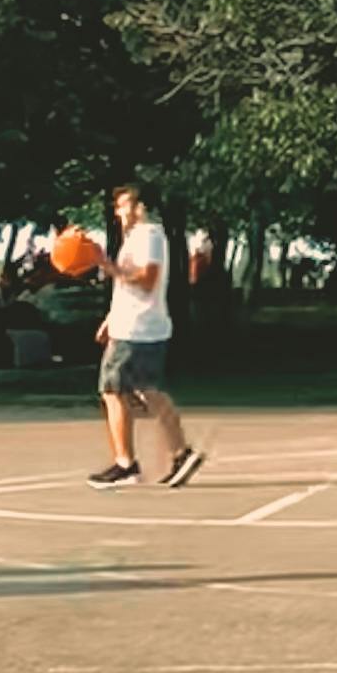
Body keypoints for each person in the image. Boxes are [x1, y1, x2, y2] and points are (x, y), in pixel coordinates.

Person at [92, 183, 204, 489]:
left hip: (137, 329)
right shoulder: (139, 238)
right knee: (147, 391)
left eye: (123, 205)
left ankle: (125, 464)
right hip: (136, 325)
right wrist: (110, 318)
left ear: (140, 207)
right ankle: (182, 453)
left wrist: (106, 265)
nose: (118, 212)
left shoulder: (148, 235)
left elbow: (146, 280)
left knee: (112, 390)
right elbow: (131, 288)